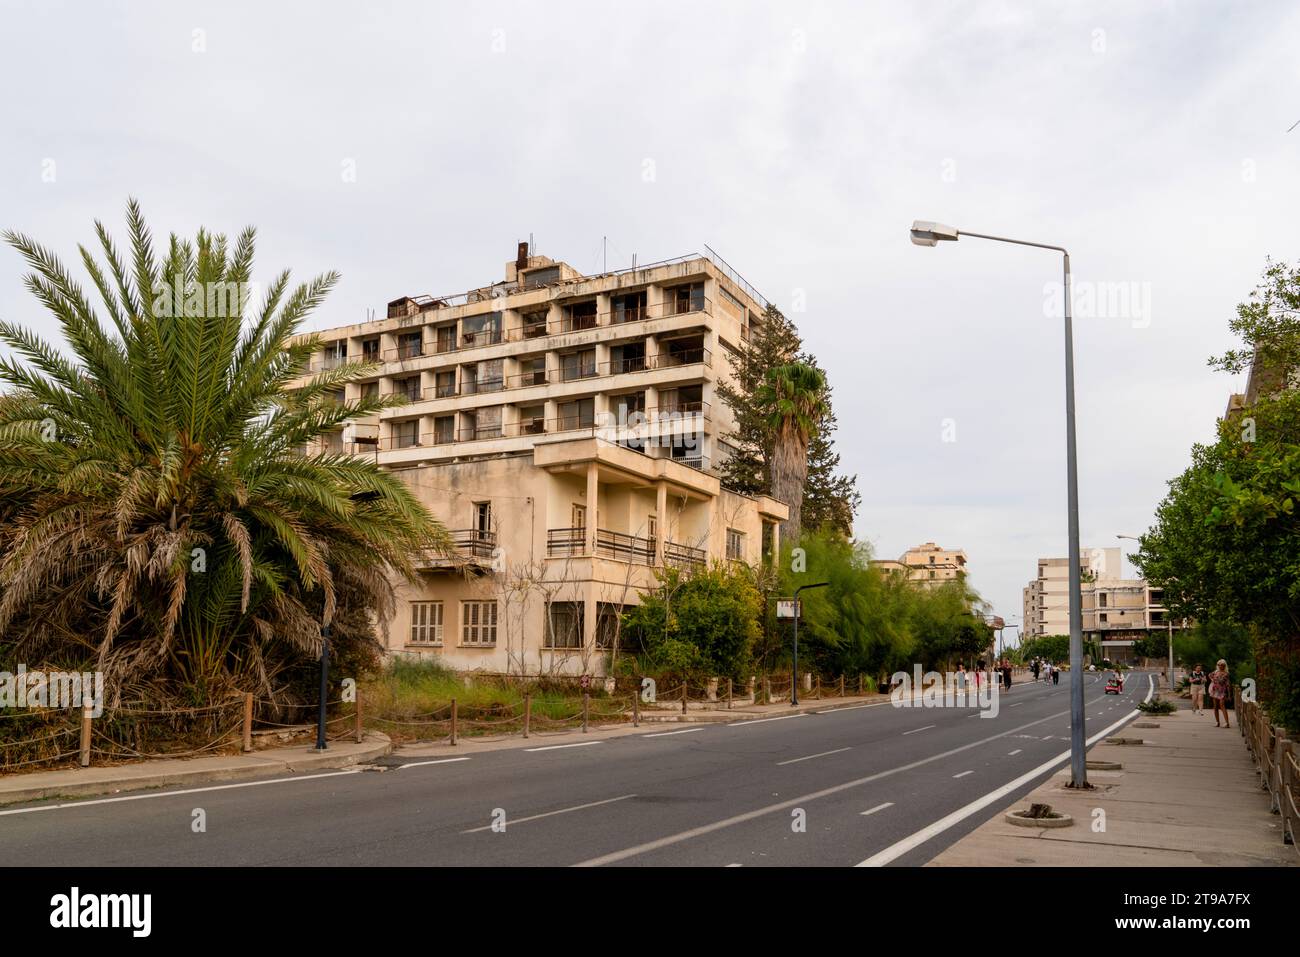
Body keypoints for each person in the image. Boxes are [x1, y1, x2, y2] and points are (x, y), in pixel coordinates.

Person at [1209, 659, 1231, 728]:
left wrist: (1229, 695)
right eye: (1218, 664)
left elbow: (1227, 684)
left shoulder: (1226, 673)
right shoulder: (1216, 672)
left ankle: (1227, 723)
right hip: (1215, 690)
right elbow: (1209, 675)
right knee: (1215, 706)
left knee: (1222, 706)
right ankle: (1217, 722)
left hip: (1222, 691)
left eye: (1221, 665)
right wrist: (1212, 680)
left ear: (1224, 665)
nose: (1220, 666)